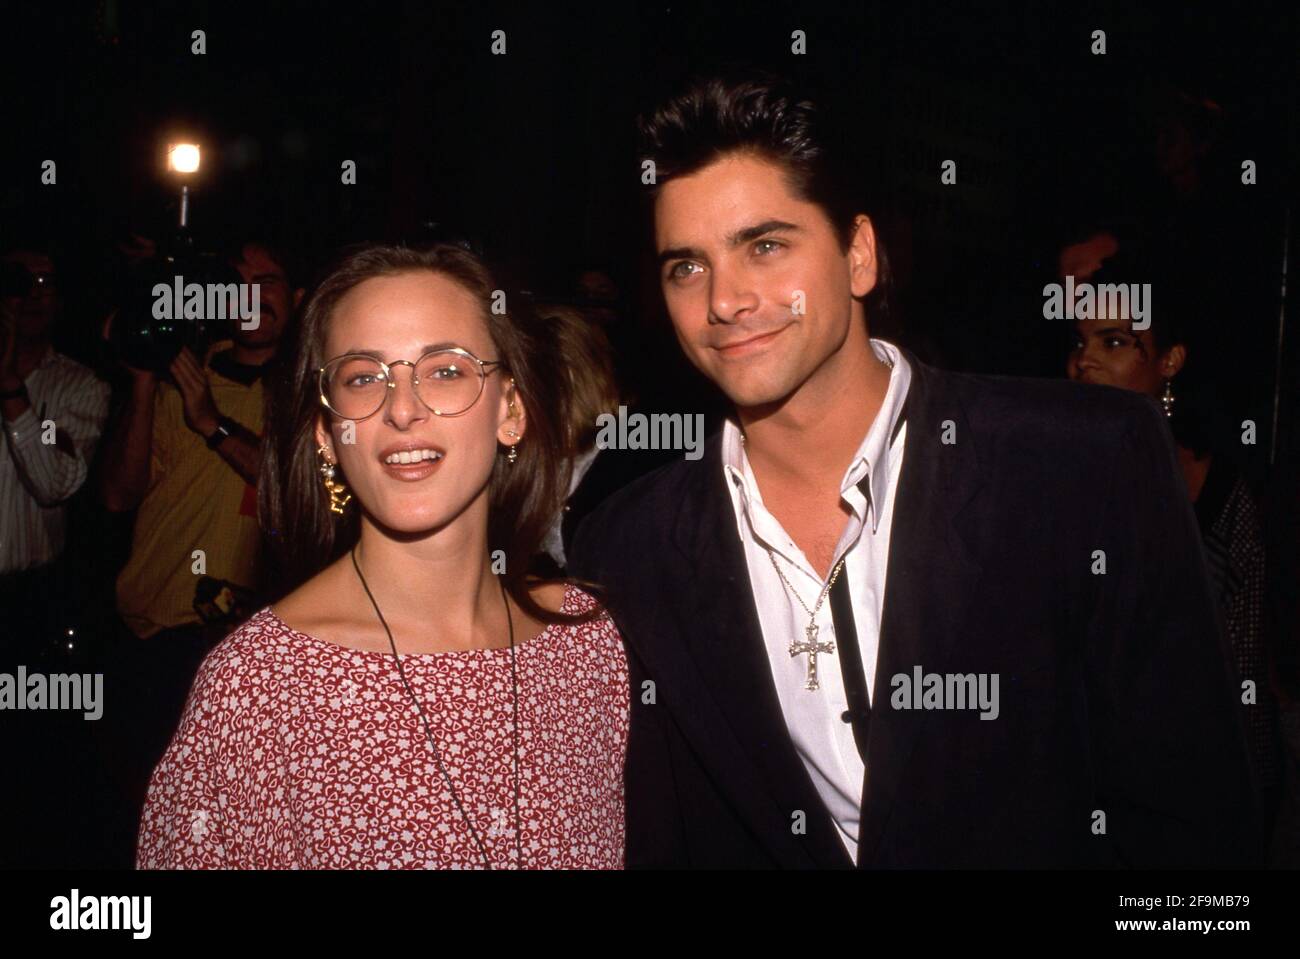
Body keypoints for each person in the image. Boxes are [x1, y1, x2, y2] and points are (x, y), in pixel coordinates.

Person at [567, 72, 1259, 868]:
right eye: (686, 266)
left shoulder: (1081, 465)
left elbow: (1199, 831)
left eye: (764, 245)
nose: (725, 300)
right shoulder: (632, 546)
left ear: (858, 256)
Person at [136, 243, 627, 869]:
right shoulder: (259, 688)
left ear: (512, 409)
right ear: (326, 433)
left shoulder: (590, 647)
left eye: (445, 369)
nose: (402, 408)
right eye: (364, 377)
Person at [1065, 249, 1280, 829]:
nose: (1086, 361)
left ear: (1170, 360)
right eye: (1080, 342)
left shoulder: (1222, 496)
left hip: (1193, 798)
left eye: (1113, 343)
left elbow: (1244, 677)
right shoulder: (1056, 476)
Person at [0, 248, 110, 639]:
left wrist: (11, 385)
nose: (31, 294)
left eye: (44, 283)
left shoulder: (79, 385)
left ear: (61, 301)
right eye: (19, 282)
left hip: (25, 597)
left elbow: (55, 484)